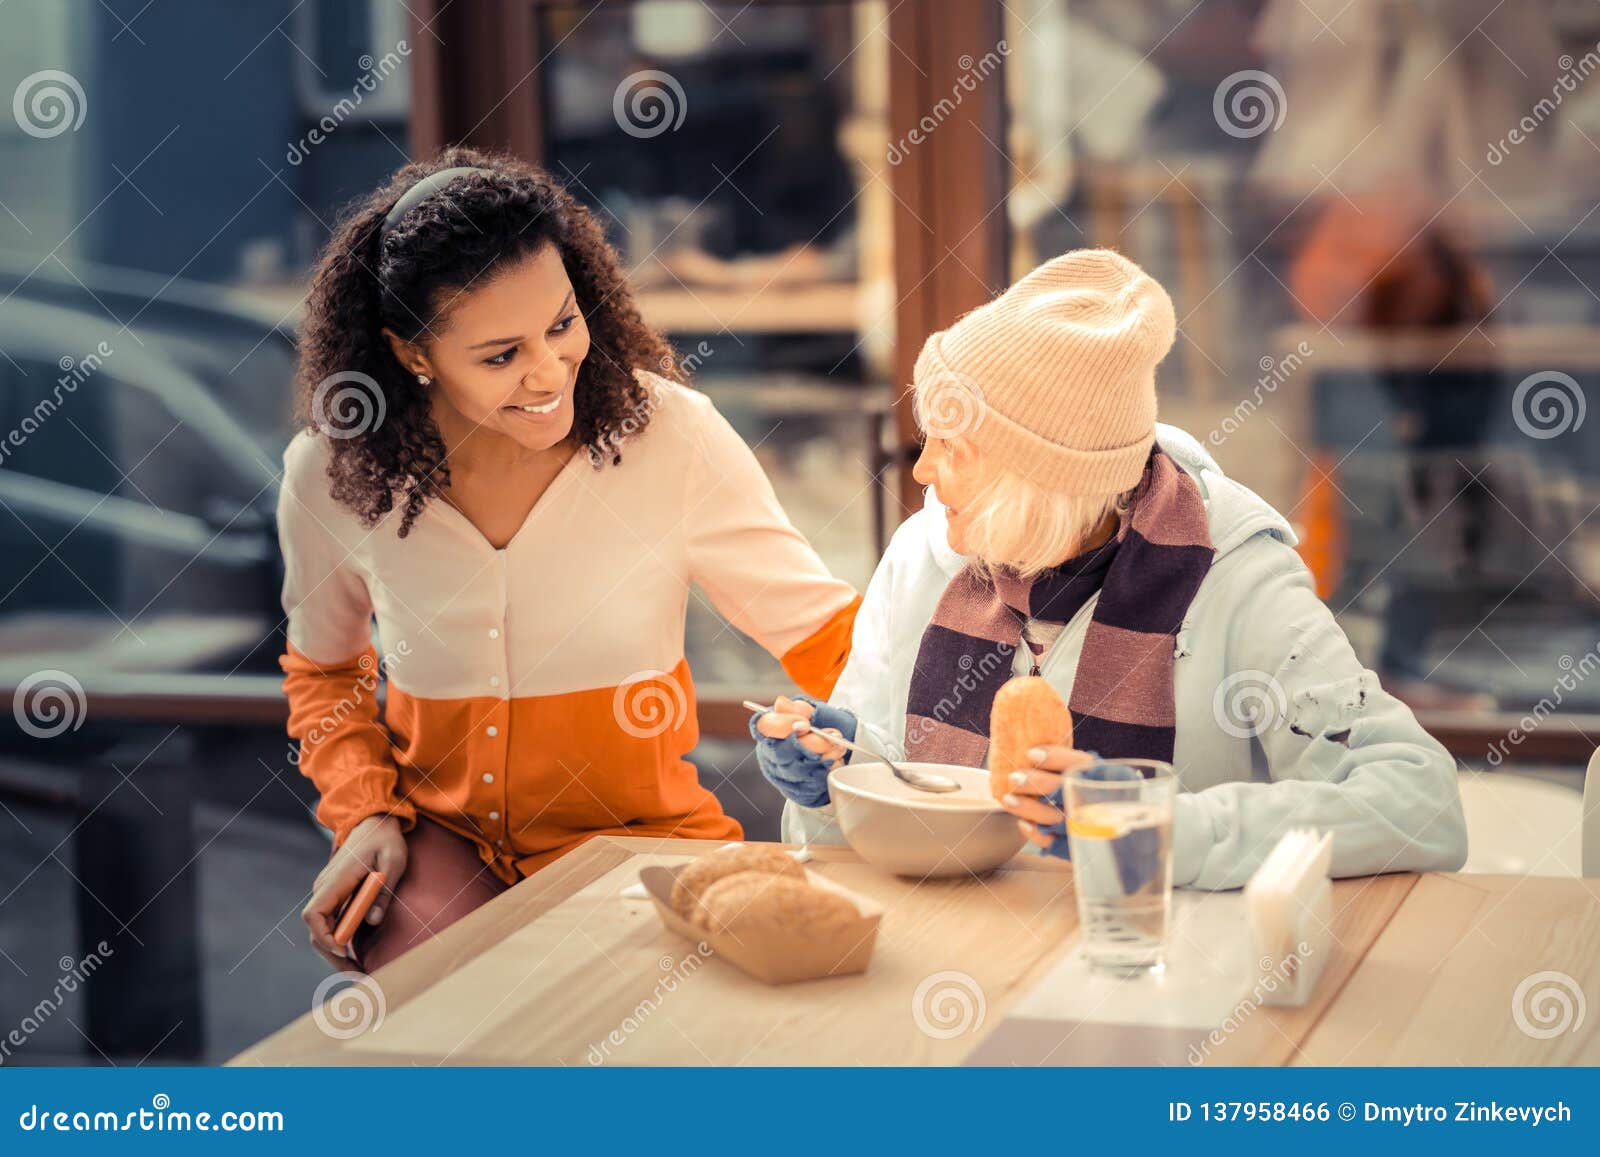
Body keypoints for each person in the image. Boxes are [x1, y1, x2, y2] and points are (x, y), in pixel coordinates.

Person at [282, 148, 859, 971]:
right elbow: (325, 672)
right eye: (499, 355)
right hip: (439, 841)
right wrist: (363, 812)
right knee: (425, 1019)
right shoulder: (332, 472)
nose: (549, 371)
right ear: (412, 353)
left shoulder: (673, 437)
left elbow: (828, 632)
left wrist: (932, 733)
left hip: (640, 840)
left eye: (561, 324)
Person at [751, 249, 1467, 889]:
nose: (923, 468)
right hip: (948, 973)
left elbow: (1419, 803)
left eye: (952, 445)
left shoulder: (1237, 579)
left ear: (1042, 477)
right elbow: (867, 821)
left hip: (1169, 985)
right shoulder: (923, 553)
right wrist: (835, 782)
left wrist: (1156, 829)